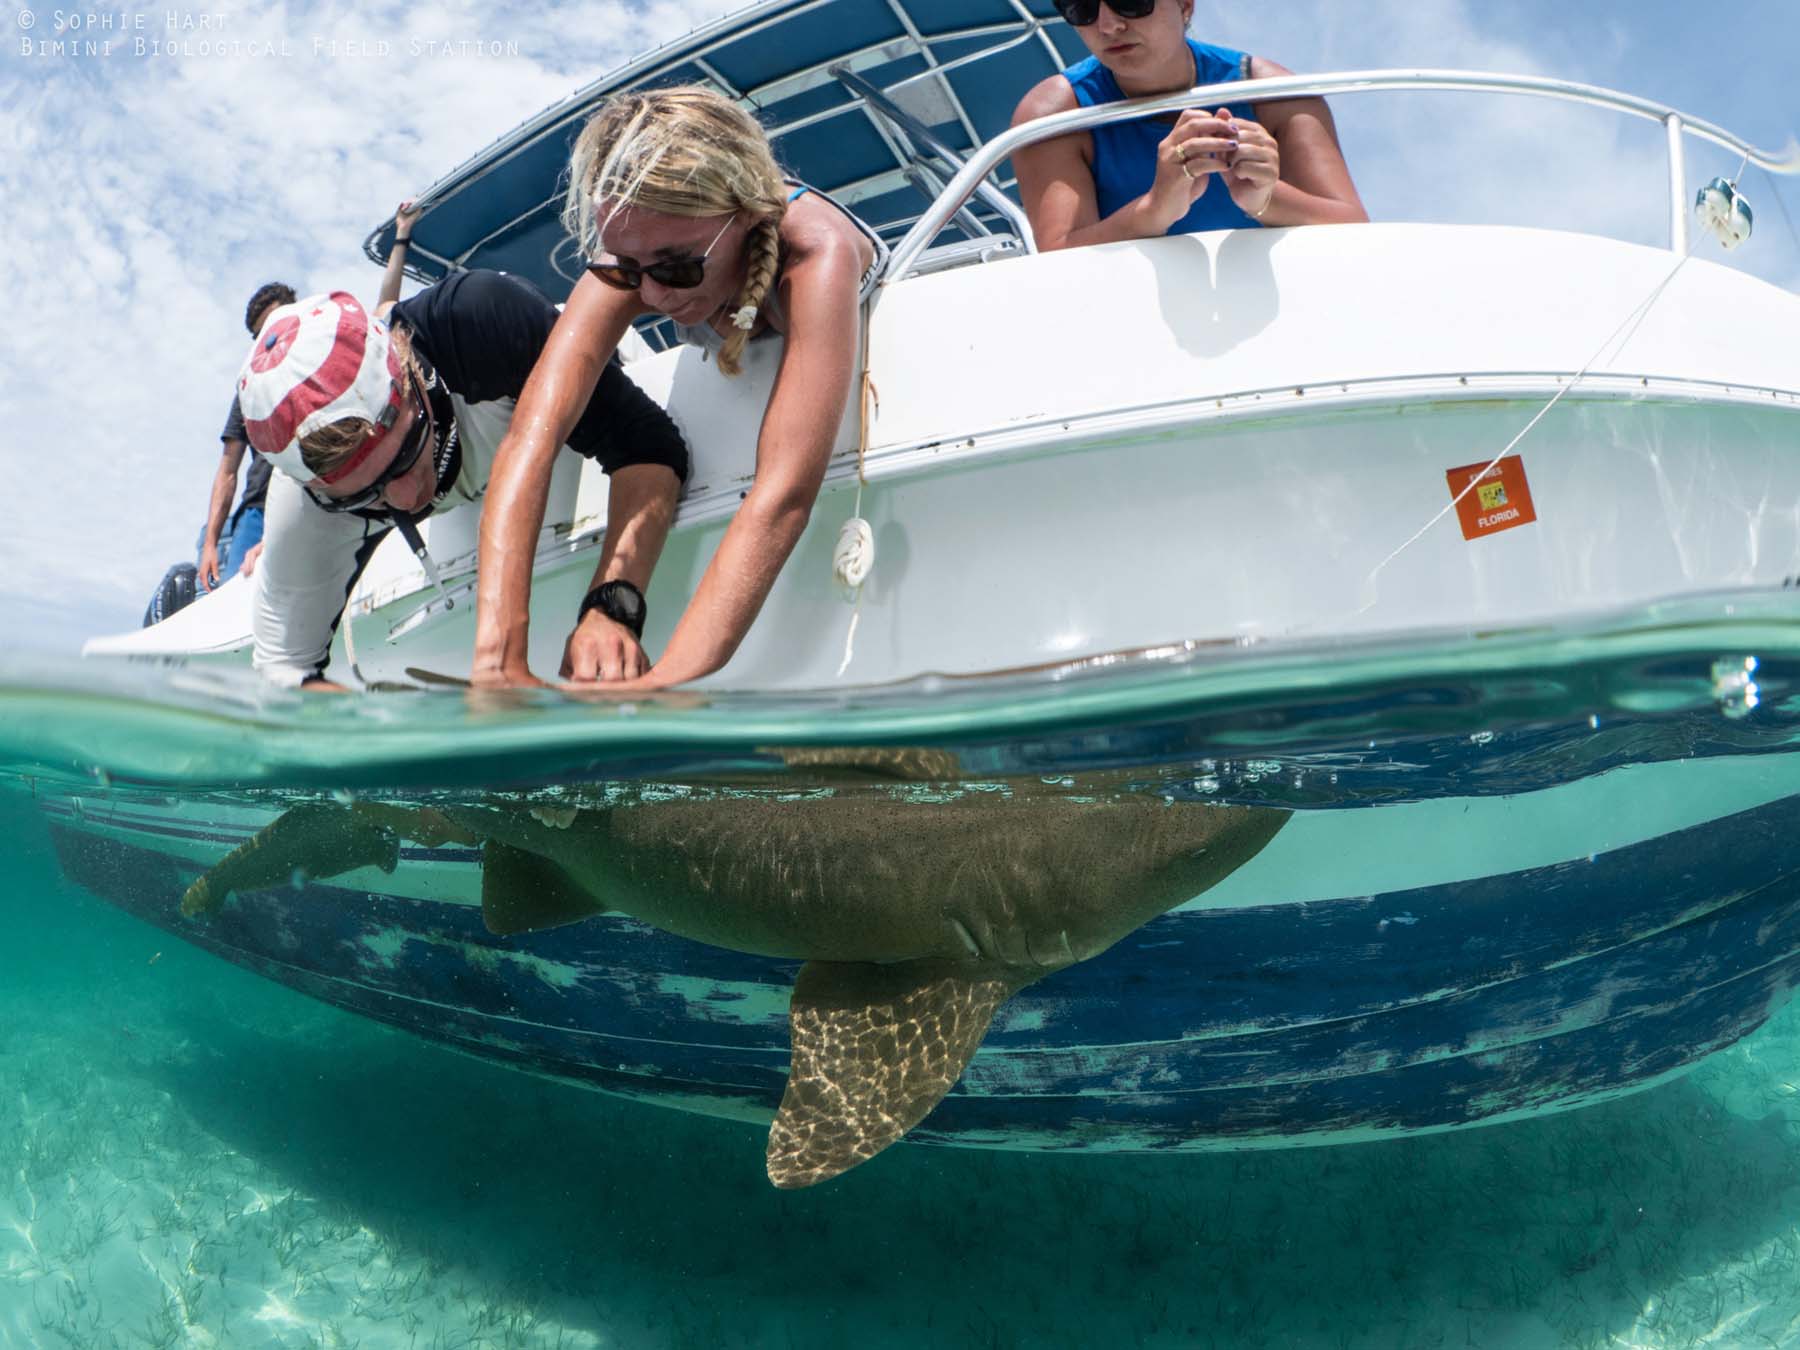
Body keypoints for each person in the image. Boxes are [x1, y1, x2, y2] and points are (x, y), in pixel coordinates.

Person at [470, 86, 882, 689]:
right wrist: (498, 663)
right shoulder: (641, 254)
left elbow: (782, 495)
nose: (652, 294)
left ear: (746, 213)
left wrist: (654, 690)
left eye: (677, 267)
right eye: (626, 269)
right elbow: (532, 439)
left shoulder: (817, 251)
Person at [236, 267, 688, 689]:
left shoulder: (480, 320)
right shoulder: (304, 505)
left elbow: (648, 445)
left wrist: (611, 607)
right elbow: (285, 669)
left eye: (406, 451)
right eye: (364, 497)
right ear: (318, 492)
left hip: (574, 358)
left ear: (409, 363)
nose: (409, 499)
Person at [1011, 0, 1365, 250]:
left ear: (1185, 5)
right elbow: (1058, 259)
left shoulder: (1271, 91)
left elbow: (1355, 229)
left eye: (1130, 2)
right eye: (1081, 7)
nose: (1107, 25)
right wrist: (1155, 209)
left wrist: (1265, 198)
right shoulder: (1051, 114)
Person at [197, 281, 295, 593]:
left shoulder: (321, 368)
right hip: (258, 510)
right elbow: (227, 470)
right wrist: (210, 544)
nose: (269, 336)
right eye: (260, 333)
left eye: (275, 323)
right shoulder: (247, 391)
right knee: (232, 597)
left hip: (307, 502)